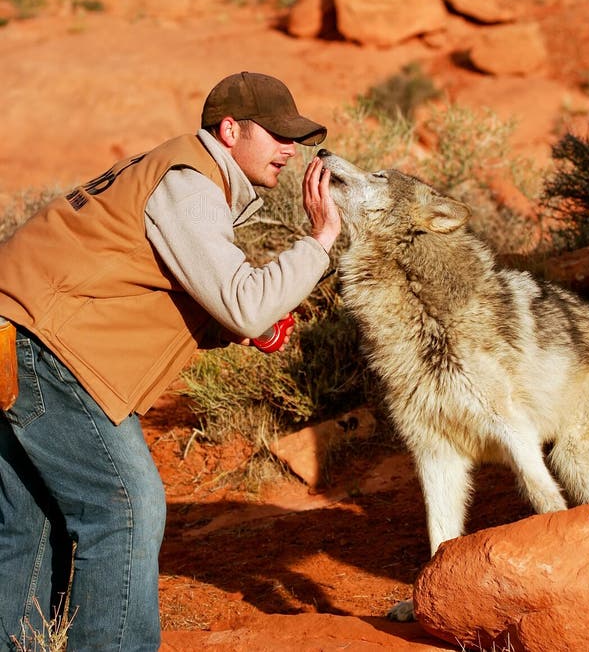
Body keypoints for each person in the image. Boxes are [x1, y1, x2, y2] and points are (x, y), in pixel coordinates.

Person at [0, 71, 341, 652]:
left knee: (30, 519)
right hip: (45, 346)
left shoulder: (182, 174)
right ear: (230, 130)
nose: (291, 149)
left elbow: (155, 284)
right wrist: (320, 239)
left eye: (296, 137)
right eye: (278, 134)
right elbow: (245, 304)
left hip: (17, 331)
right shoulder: (190, 184)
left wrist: (230, 326)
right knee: (126, 506)